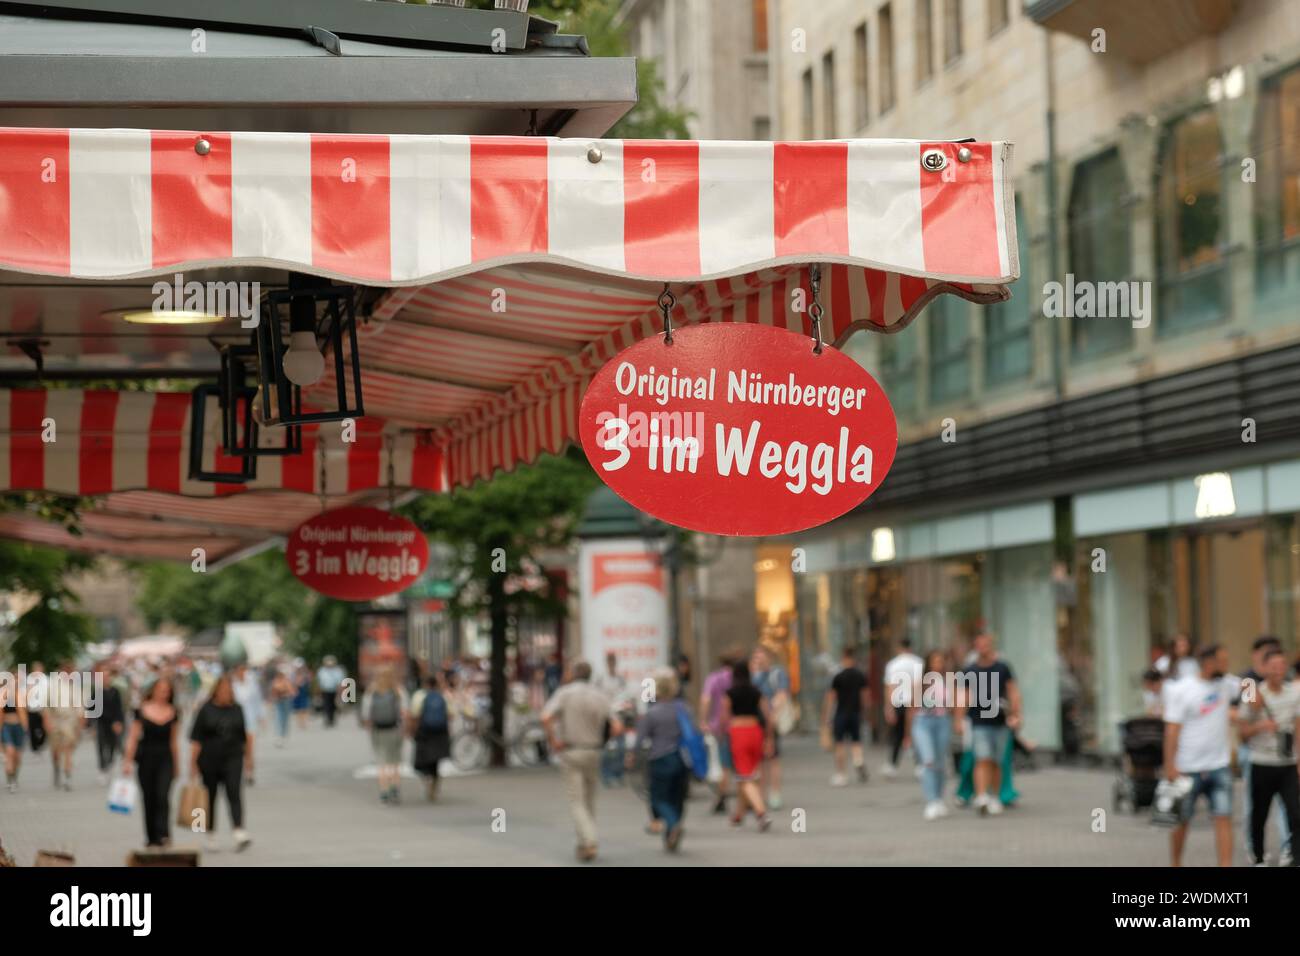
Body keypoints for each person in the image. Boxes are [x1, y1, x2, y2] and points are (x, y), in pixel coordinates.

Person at [1164, 645, 1235, 867]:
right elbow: (1172, 730)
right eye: (1222, 661)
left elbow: (1249, 691)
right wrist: (1170, 766)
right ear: (1208, 663)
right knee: (1181, 821)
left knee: (1223, 818)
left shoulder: (1226, 684)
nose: (1226, 665)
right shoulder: (1182, 689)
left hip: (1219, 765)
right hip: (1187, 768)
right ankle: (1176, 863)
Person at [540, 659, 611, 862]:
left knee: (576, 800)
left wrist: (554, 740)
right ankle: (583, 844)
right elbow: (616, 726)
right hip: (594, 750)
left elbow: (545, 717)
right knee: (589, 799)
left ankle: (589, 840)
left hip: (571, 750)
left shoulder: (565, 693)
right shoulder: (600, 695)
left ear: (573, 673)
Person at [1239, 647, 1300, 866]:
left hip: (1287, 763)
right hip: (1261, 762)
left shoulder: (1295, 692)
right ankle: (1257, 856)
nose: (1278, 670)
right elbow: (1242, 733)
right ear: (1264, 668)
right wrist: (1261, 726)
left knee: (1296, 813)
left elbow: (1298, 726)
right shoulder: (1253, 692)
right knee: (1259, 814)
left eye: (1282, 666)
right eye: (1273, 666)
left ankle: (1294, 856)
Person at [961, 632, 1021, 816]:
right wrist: (959, 718)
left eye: (986, 644)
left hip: (1001, 721)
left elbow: (1013, 692)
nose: (983, 648)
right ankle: (981, 796)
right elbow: (963, 696)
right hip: (978, 721)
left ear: (991, 645)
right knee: (982, 758)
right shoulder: (969, 670)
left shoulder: (1003, 668)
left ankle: (994, 796)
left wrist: (1016, 714)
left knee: (996, 761)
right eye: (979, 644)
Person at [190, 674, 252, 852]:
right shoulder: (205, 710)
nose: (226, 693)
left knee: (234, 792)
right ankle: (209, 834)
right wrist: (192, 764)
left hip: (233, 757)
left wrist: (249, 759)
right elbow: (196, 738)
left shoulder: (237, 709)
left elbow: (244, 736)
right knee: (209, 797)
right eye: (223, 690)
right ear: (215, 691)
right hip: (209, 759)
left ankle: (239, 830)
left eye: (229, 690)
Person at [634, 668, 691, 852]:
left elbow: (641, 737)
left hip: (659, 758)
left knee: (658, 798)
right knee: (677, 798)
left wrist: (632, 755)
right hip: (682, 758)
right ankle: (671, 835)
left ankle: (673, 824)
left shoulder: (653, 712)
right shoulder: (683, 708)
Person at [121, 676, 179, 848]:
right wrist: (127, 761)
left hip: (165, 759)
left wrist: (177, 764)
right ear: (153, 690)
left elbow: (174, 741)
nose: (164, 694)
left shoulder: (174, 712)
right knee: (149, 798)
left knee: (163, 795)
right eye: (161, 690)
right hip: (146, 759)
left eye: (167, 691)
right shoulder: (141, 710)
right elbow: (133, 737)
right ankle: (151, 837)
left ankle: (164, 834)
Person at [909, 649, 960, 820]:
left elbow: (954, 706)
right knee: (929, 761)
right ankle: (931, 801)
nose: (938, 664)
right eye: (935, 661)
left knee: (940, 763)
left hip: (942, 722)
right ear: (929, 663)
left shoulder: (949, 680)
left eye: (941, 661)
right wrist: (908, 735)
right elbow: (912, 708)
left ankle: (938, 799)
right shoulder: (920, 682)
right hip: (923, 723)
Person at [722, 659, 772, 831]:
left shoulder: (730, 693)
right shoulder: (757, 691)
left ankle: (761, 812)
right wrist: (769, 738)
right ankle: (739, 814)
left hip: (738, 732)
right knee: (750, 773)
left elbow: (725, 716)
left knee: (745, 776)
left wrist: (722, 731)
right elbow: (767, 715)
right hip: (755, 731)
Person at [700, 645, 742, 815]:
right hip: (741, 725)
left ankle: (721, 797)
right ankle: (745, 797)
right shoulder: (741, 678)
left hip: (720, 726)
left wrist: (703, 720)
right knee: (741, 765)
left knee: (724, 764)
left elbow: (705, 699)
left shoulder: (714, 678)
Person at [822, 644, 868, 786]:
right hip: (855, 712)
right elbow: (865, 696)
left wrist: (827, 717)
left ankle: (841, 774)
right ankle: (858, 760)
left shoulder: (838, 676)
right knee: (856, 741)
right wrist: (864, 711)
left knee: (840, 744)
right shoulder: (860, 675)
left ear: (843, 658)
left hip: (841, 713)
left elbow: (831, 697)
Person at [751, 645, 790, 810]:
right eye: (756, 657)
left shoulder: (777, 673)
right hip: (755, 720)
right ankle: (760, 795)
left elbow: (782, 694)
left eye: (761, 656)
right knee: (758, 760)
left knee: (772, 757)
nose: (759, 660)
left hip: (770, 720)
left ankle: (775, 793)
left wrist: (773, 714)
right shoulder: (753, 676)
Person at [362, 666, 408, 804]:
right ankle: (395, 788)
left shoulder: (371, 691)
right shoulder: (398, 690)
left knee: (381, 762)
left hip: (378, 730)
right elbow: (405, 711)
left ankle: (384, 791)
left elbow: (366, 714)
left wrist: (369, 726)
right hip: (394, 729)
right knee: (394, 761)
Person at [883, 638, 923, 778]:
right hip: (914, 702)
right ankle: (920, 765)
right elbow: (918, 684)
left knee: (897, 735)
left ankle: (893, 765)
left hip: (898, 701)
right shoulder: (918, 662)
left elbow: (890, 686)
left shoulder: (892, 664)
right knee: (917, 734)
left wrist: (888, 707)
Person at [409, 670, 452, 801]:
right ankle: (434, 783)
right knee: (435, 761)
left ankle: (427, 782)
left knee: (422, 761)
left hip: (424, 732)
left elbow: (414, 715)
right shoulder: (443, 696)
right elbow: (450, 715)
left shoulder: (419, 696)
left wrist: (412, 730)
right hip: (440, 733)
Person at [44, 661, 85, 791]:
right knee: (56, 751)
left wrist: (80, 726)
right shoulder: (53, 687)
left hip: (69, 722)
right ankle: (57, 768)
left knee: (67, 749)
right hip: (55, 720)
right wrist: (47, 722)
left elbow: (80, 709)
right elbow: (46, 707)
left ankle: (67, 777)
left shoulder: (76, 689)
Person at [593, 653, 628, 786]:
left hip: (619, 717)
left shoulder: (620, 679)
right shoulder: (601, 679)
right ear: (607, 663)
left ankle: (618, 774)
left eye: (613, 661)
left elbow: (625, 695)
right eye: (610, 661)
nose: (612, 664)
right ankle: (606, 775)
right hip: (605, 717)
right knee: (606, 749)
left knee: (621, 747)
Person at [230, 663, 263, 785]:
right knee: (238, 748)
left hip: (249, 719)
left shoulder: (252, 685)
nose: (241, 673)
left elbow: (257, 701)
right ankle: (238, 771)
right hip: (235, 721)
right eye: (239, 671)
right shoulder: (233, 685)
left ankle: (249, 772)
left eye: (243, 671)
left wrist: (261, 716)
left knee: (249, 748)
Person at [94, 665, 126, 784]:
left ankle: (110, 764)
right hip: (101, 723)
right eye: (104, 676)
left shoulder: (115, 691)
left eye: (108, 676)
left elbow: (119, 708)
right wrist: (92, 725)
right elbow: (92, 709)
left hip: (114, 723)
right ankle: (102, 769)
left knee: (113, 745)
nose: (106, 678)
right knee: (101, 746)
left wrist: (119, 722)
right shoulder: (97, 691)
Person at [1, 678, 27, 793]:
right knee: (10, 752)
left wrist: (26, 728)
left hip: (19, 727)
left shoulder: (20, 695)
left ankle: (14, 777)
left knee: (17, 756)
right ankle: (10, 781)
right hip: (6, 726)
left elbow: (24, 713)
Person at [269, 665, 295, 748]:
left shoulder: (287, 681)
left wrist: (285, 693)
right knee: (278, 718)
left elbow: (293, 692)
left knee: (285, 719)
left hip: (286, 701)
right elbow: (272, 692)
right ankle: (279, 736)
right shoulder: (275, 681)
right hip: (278, 702)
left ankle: (283, 735)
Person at [317, 656, 346, 728]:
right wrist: (319, 691)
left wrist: (340, 691)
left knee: (333, 705)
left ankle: (332, 719)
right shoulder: (322, 670)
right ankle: (327, 718)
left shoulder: (338, 671)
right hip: (325, 690)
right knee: (326, 704)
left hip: (334, 690)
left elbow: (340, 681)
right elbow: (320, 681)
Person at [24, 662, 46, 756]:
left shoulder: (46, 679)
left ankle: (41, 742)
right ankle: (34, 748)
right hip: (31, 708)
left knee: (44, 728)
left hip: (43, 708)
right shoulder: (29, 679)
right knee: (32, 728)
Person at [292, 661, 312, 730]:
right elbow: (293, 684)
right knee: (298, 708)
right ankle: (300, 722)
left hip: (304, 692)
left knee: (304, 707)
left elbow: (309, 683)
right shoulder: (293, 674)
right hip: (297, 692)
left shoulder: (306, 674)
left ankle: (304, 722)